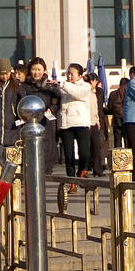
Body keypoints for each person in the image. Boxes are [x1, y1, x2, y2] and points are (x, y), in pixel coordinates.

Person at [19, 58, 62, 171]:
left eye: (39, 69)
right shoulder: (23, 86)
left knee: (46, 146)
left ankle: (47, 169)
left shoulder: (50, 85)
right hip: (28, 122)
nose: (36, 72)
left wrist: (51, 109)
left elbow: (57, 101)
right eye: (34, 69)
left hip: (45, 122)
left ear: (44, 70)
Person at [58, 63, 93, 192]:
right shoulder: (64, 87)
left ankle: (82, 170)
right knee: (68, 155)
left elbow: (77, 94)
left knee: (84, 152)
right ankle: (71, 181)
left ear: (79, 75)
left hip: (81, 123)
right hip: (66, 124)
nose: (69, 75)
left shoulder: (85, 87)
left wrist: (64, 85)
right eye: (68, 73)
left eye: (71, 73)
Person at [87, 72, 108, 175]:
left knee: (97, 145)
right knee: (89, 146)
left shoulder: (99, 92)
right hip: (87, 120)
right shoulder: (85, 91)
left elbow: (99, 105)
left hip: (97, 120)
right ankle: (90, 167)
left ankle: (97, 168)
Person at [107, 77, 129, 149]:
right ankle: (128, 159)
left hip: (117, 120)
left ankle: (118, 159)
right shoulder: (128, 92)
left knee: (117, 142)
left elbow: (110, 107)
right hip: (127, 120)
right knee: (127, 142)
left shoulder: (113, 94)